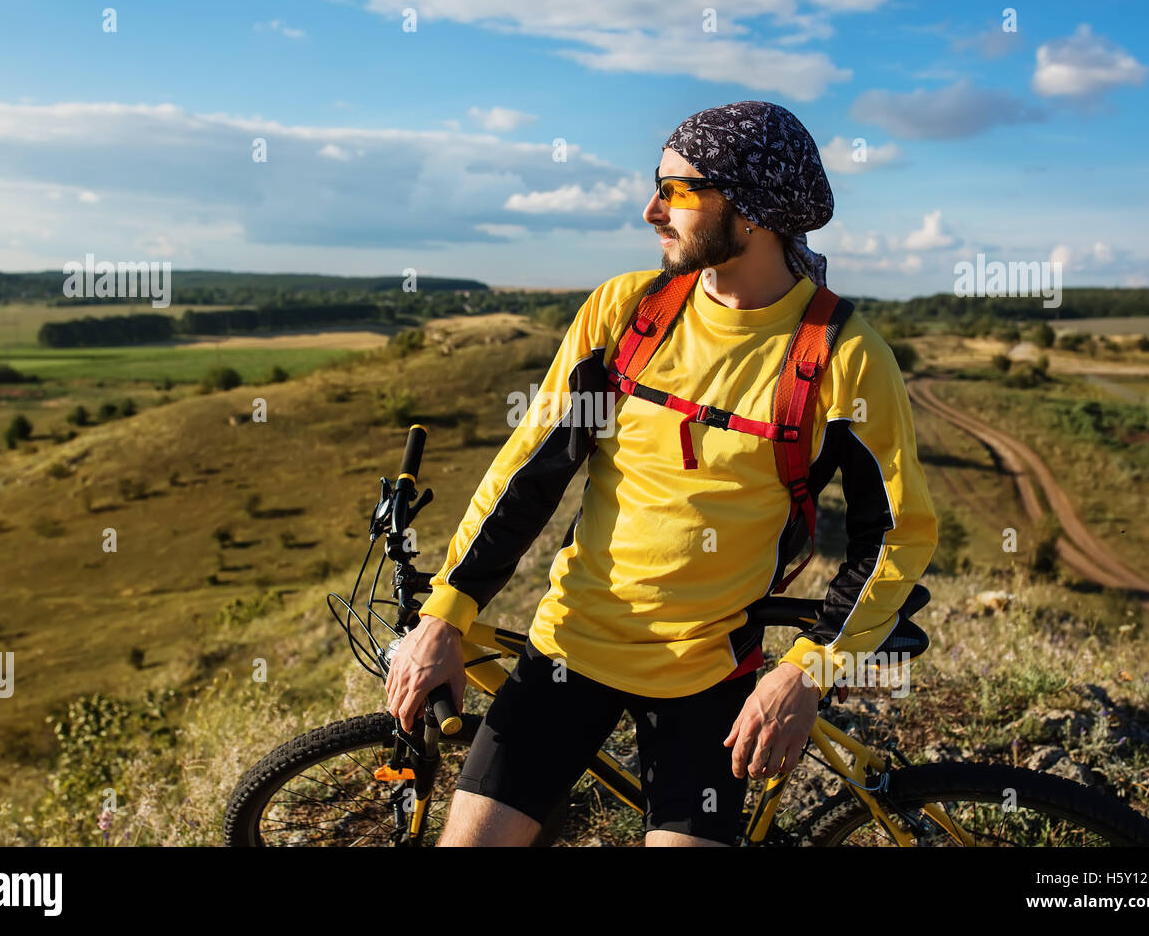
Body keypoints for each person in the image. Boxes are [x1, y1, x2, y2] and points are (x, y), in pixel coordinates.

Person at [384, 100, 938, 847]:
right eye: (657, 185)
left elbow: (894, 535)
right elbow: (530, 474)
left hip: (708, 677)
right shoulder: (626, 312)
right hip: (570, 648)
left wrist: (808, 673)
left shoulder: (844, 356)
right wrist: (446, 616)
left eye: (678, 190)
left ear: (752, 209)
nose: (651, 209)